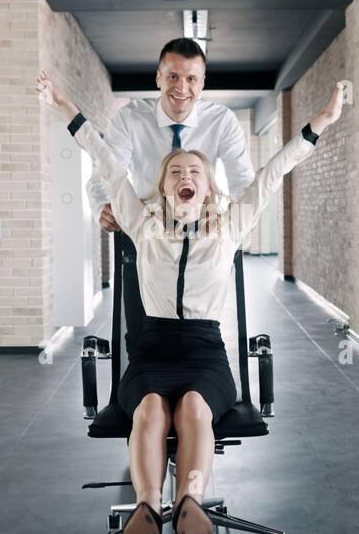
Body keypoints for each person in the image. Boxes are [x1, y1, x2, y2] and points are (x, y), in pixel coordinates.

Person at [36, 68, 346, 534]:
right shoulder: (142, 223)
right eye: (176, 171)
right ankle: (145, 507)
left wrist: (321, 122)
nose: (186, 177)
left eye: (196, 172)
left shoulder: (230, 226)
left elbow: (274, 171)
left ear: (208, 188)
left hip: (205, 355)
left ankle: (190, 504)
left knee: (197, 409)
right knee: (152, 411)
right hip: (152, 352)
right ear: (162, 185)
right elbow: (105, 157)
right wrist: (63, 104)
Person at [87, 38, 256, 361]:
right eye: (173, 76)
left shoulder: (221, 121)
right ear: (158, 78)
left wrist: (237, 226)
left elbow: (244, 184)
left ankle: (198, 395)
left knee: (200, 332)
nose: (182, 87)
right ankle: (145, 399)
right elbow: (103, 174)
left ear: (202, 82)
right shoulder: (131, 118)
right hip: (146, 235)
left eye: (192, 78)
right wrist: (103, 205)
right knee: (141, 334)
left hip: (202, 235)